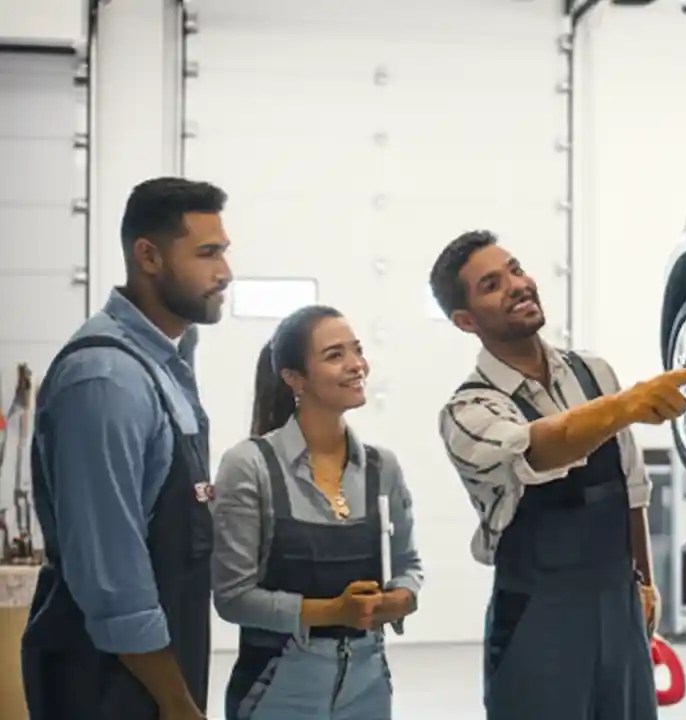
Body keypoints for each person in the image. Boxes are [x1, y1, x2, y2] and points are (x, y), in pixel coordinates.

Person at [430, 229, 686, 720]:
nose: (517, 285)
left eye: (516, 269)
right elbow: (539, 448)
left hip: (619, 607)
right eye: (492, 284)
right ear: (465, 320)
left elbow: (631, 487)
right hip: (537, 626)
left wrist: (644, 585)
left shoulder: (593, 373)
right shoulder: (468, 410)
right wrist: (625, 406)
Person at [21, 177, 233, 720]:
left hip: (153, 672)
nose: (224, 273)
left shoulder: (167, 363)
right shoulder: (107, 379)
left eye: (224, 252)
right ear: (149, 256)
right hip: (107, 683)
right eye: (207, 253)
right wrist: (177, 703)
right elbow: (113, 577)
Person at [212, 304, 423, 720]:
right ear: (294, 378)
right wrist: (332, 612)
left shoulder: (384, 468)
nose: (356, 365)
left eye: (357, 350)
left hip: (368, 681)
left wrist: (397, 599)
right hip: (279, 684)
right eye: (334, 355)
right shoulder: (250, 466)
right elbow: (233, 598)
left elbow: (409, 566)